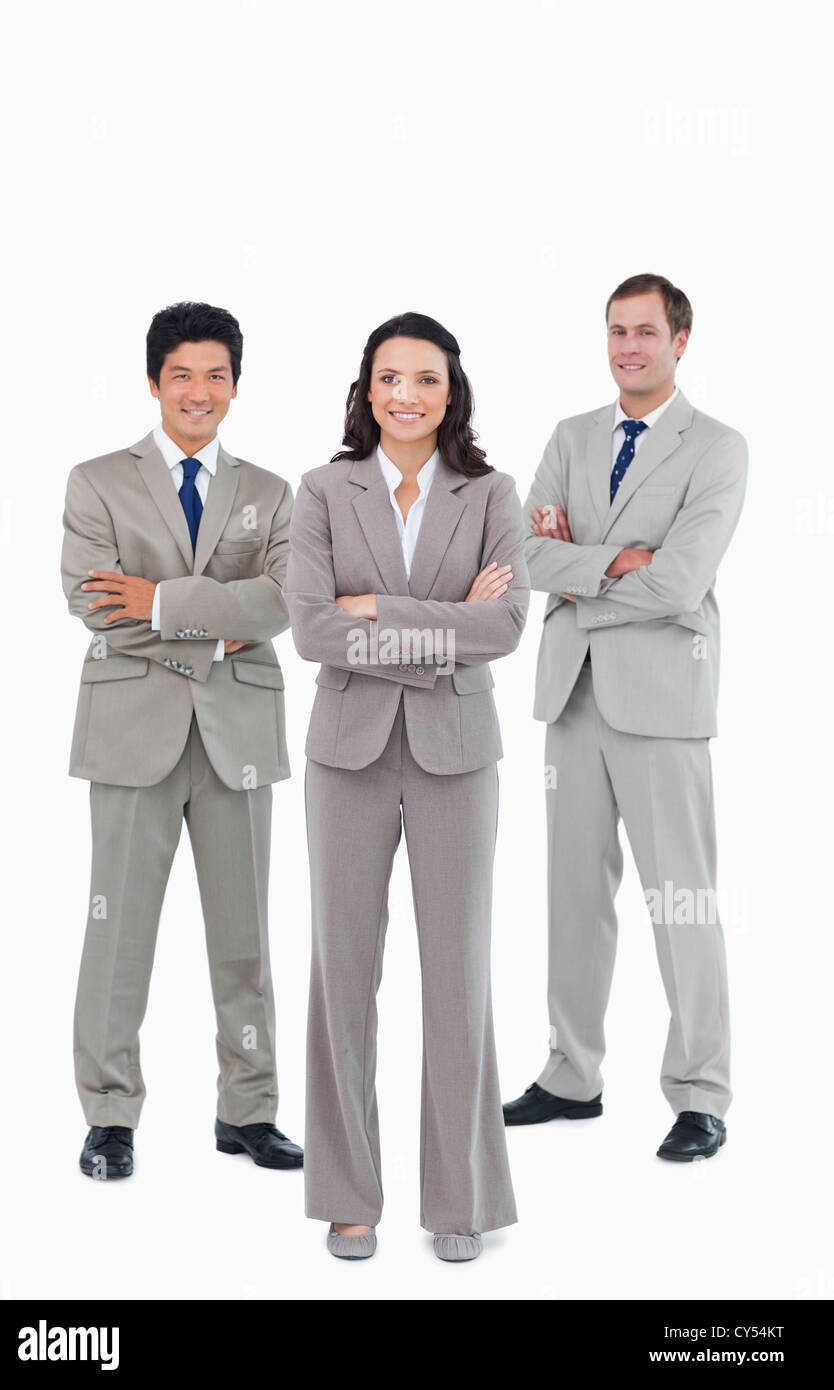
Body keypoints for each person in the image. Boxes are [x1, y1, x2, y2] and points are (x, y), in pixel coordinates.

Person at [282, 312, 529, 1260]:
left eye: (425, 378)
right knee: (342, 973)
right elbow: (310, 631)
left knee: (457, 974)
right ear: (366, 388)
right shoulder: (322, 490)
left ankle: (459, 1198)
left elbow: (505, 626)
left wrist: (379, 609)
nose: (406, 395)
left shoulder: (493, 491)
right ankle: (349, 1194)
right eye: (389, 377)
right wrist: (441, 629)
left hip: (458, 754)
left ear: (451, 389)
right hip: (344, 751)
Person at [504, 273, 747, 1161]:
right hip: (572, 696)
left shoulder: (717, 448)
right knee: (572, 897)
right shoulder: (571, 436)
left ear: (681, 340)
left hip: (662, 705)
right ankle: (572, 1075)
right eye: (615, 331)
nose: (627, 347)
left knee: (680, 899)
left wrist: (580, 573)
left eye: (645, 331)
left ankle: (701, 1092)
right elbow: (524, 553)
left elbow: (683, 581)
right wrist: (610, 561)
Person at [61, 301, 303, 1179]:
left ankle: (249, 1110)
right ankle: (110, 1116)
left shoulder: (274, 493)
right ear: (154, 381)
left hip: (238, 733)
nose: (199, 393)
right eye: (182, 375)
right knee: (118, 928)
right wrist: (222, 627)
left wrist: (159, 601)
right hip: (133, 733)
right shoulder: (96, 481)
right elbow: (95, 605)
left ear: (236, 385)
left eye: (216, 376)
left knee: (245, 935)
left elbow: (283, 604)